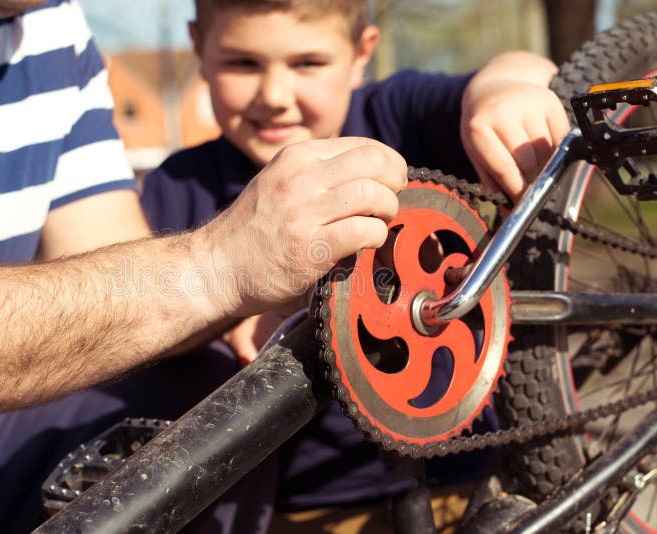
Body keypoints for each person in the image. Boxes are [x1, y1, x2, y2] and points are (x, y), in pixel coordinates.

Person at [0, 1, 407, 532]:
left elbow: (121, 307)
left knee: (200, 385)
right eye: (243, 62)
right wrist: (215, 268)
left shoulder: (52, 24)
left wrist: (243, 299)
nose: (276, 95)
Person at [137, 0, 570, 525]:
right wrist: (234, 312)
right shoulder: (176, 186)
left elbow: (518, 67)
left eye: (308, 63)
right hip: (295, 505)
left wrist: (505, 93)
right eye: (242, 63)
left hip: (461, 479)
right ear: (198, 48)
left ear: (361, 52)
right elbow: (146, 327)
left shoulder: (395, 115)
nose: (274, 96)